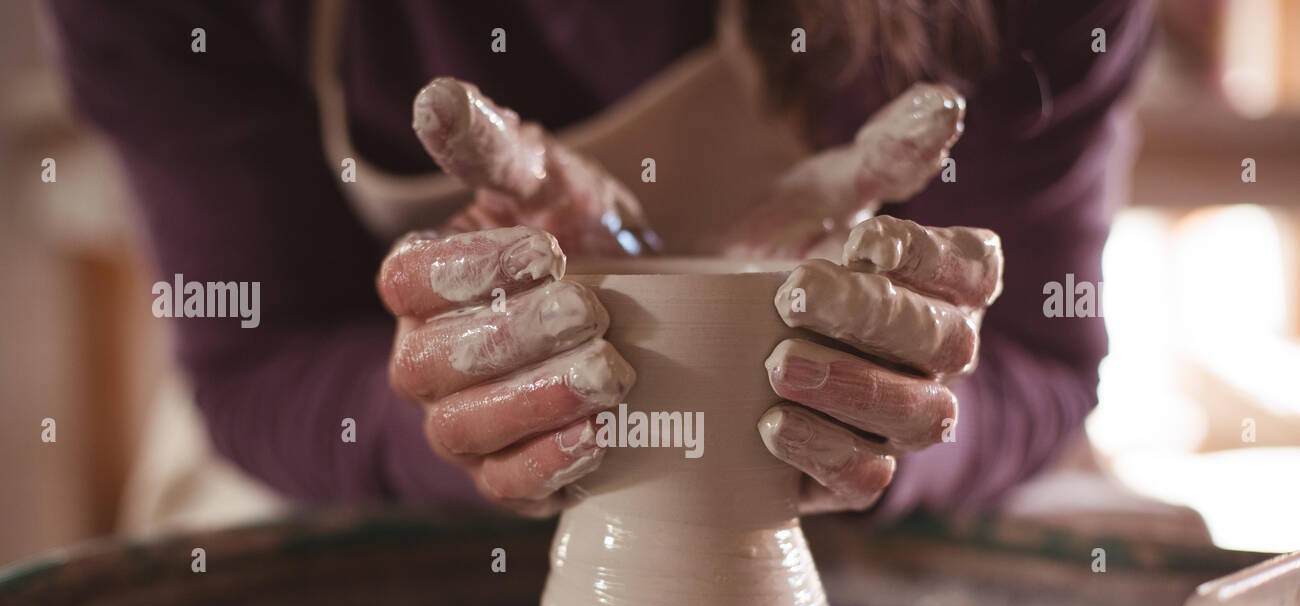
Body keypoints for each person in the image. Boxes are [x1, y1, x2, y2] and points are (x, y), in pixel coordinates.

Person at [47, 0, 1153, 523]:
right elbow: (256, 361)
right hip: (385, 468)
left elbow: (1037, 356)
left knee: (1143, 586)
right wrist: (463, 402)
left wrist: (882, 419)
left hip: (885, 493)